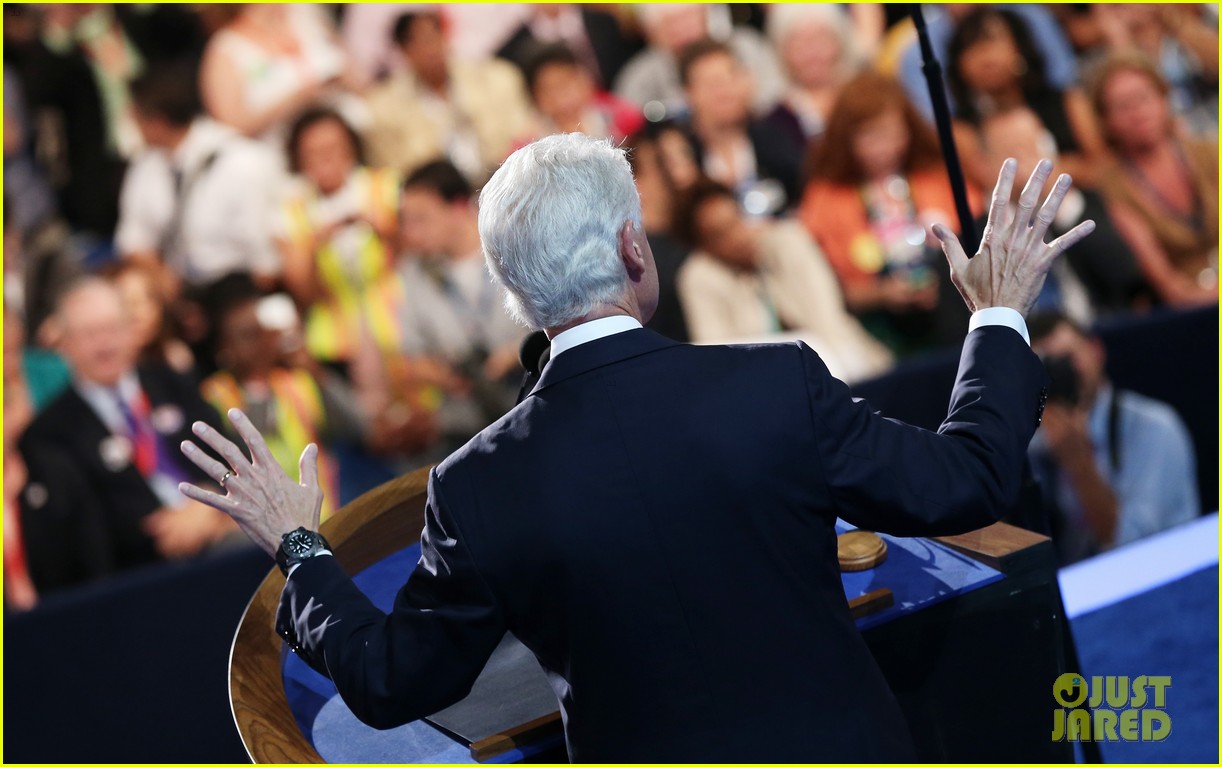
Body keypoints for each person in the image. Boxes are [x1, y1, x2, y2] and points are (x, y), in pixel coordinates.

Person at [178, 135, 1094, 761]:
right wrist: (997, 311)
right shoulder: (773, 384)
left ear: (515, 293)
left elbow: (390, 680)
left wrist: (302, 546)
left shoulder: (477, 485)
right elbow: (967, 480)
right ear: (631, 245)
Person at [20, 278, 236, 582]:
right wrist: (170, 529)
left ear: (131, 330)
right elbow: (83, 536)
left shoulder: (174, 384)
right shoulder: (50, 434)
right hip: (144, 575)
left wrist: (211, 504)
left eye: (113, 329)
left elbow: (233, 458)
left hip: (223, 534)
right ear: (65, 344)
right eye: (90, 334)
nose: (105, 344)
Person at [800, 71, 977, 357]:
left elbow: (978, 238)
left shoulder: (936, 176)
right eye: (870, 136)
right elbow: (827, 288)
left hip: (954, 314)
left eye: (892, 133)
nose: (883, 147)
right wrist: (883, 293)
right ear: (846, 138)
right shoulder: (824, 199)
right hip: (876, 332)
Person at [675, 179, 892, 383]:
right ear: (703, 247)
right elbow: (719, 358)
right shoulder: (700, 278)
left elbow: (827, 319)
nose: (738, 237)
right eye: (720, 235)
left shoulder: (787, 241)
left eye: (736, 221)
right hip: (769, 387)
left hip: (847, 367)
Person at [1026, 312, 1199, 565]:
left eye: (1067, 360)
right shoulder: (1033, 447)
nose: (1059, 377)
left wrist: (1078, 463)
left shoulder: (1154, 429)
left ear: (1095, 350)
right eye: (1046, 368)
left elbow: (1134, 552)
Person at [117, 63, 282, 291]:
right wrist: (169, 289)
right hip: (183, 291)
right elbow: (133, 240)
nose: (129, 121)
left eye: (134, 115)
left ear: (158, 121)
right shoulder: (145, 166)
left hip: (240, 290)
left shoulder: (242, 161)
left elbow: (266, 263)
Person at [976, 107, 1150, 323]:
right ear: (985, 165)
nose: (1027, 163)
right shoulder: (971, 239)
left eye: (1033, 148)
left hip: (1099, 333)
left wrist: (1058, 200)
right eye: (1012, 153)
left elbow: (1127, 275)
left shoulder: (1085, 205)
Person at [1086, 51, 1218, 307]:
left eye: (1143, 97)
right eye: (1123, 106)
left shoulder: (1210, 153)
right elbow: (1169, 287)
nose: (1137, 112)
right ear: (1106, 121)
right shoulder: (1111, 187)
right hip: (1186, 310)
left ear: (1163, 99)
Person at [363, 11, 534, 184]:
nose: (430, 50)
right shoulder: (382, 110)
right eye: (418, 42)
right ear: (404, 51)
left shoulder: (496, 79)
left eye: (432, 37)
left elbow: (524, 136)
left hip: (506, 182)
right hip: (439, 198)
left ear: (445, 36)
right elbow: (394, 177)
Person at [675, 39, 803, 217]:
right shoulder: (681, 154)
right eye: (712, 83)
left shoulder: (776, 139)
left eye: (732, 77)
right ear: (688, 93)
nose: (725, 91)